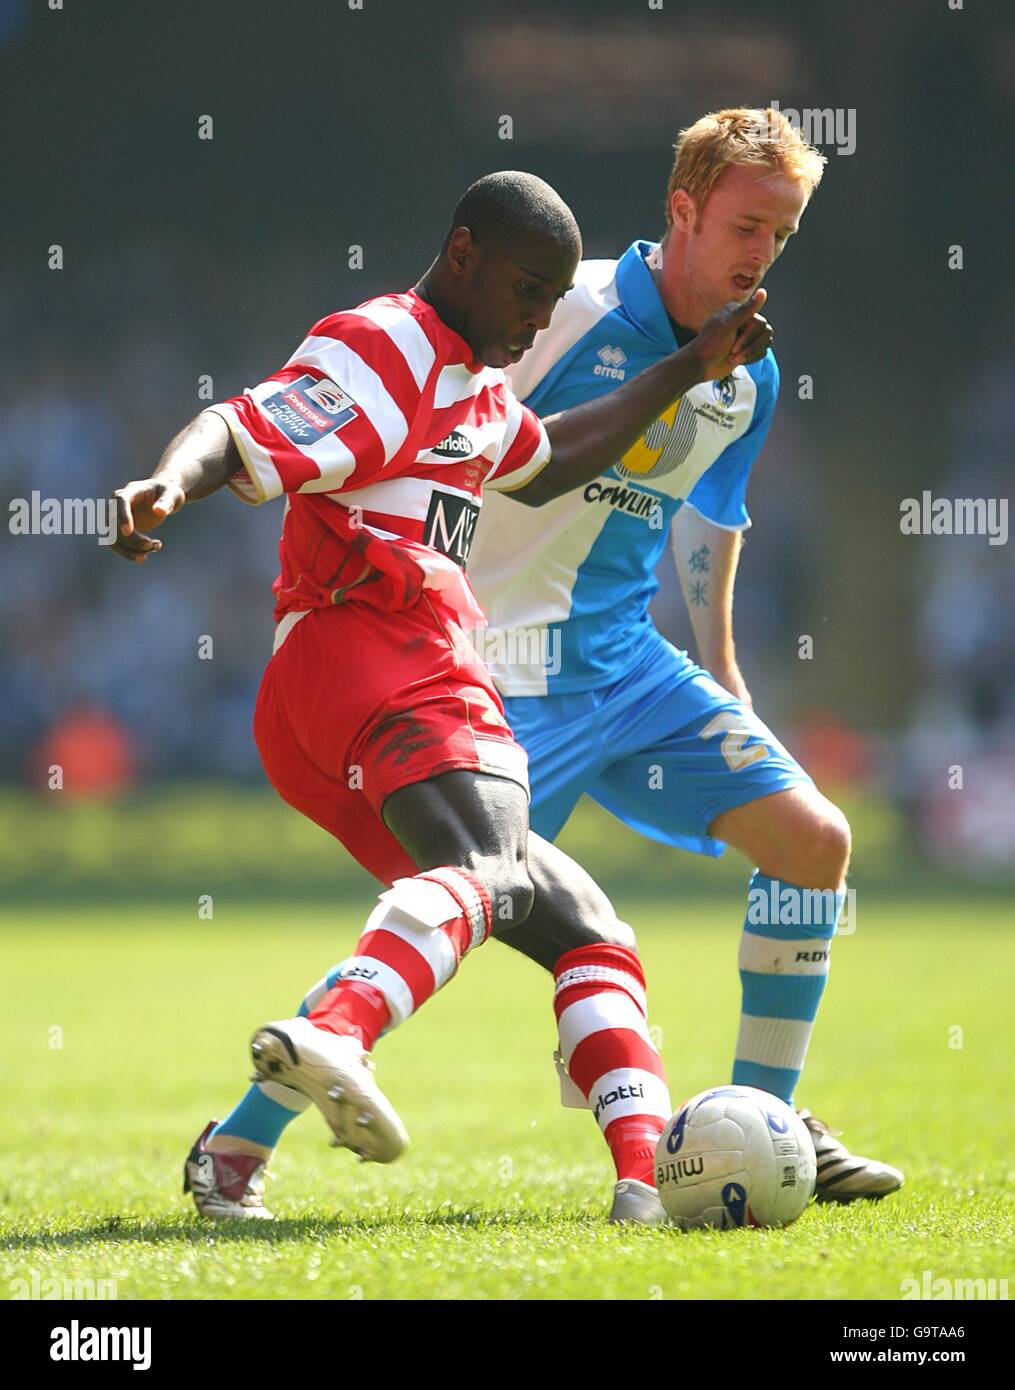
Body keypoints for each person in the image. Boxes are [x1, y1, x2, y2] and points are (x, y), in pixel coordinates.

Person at [111, 170, 773, 1223]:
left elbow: (554, 460)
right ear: (461, 253)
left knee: (584, 929)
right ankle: (336, 1027)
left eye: (553, 300)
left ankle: (638, 1185)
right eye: (524, 289)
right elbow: (241, 425)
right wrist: (167, 484)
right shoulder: (385, 342)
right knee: (486, 866)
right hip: (377, 650)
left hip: (336, 704)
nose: (534, 319)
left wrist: (689, 368)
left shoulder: (472, 385)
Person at [466, 113, 904, 1204]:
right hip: (502, 665)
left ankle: (769, 1120)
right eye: (746, 225)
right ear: (681, 211)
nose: (761, 253)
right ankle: (249, 1128)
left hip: (629, 665)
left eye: (783, 235)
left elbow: (710, 518)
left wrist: (720, 667)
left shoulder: (745, 372)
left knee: (812, 840)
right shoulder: (565, 312)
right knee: (447, 911)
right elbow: (454, 447)